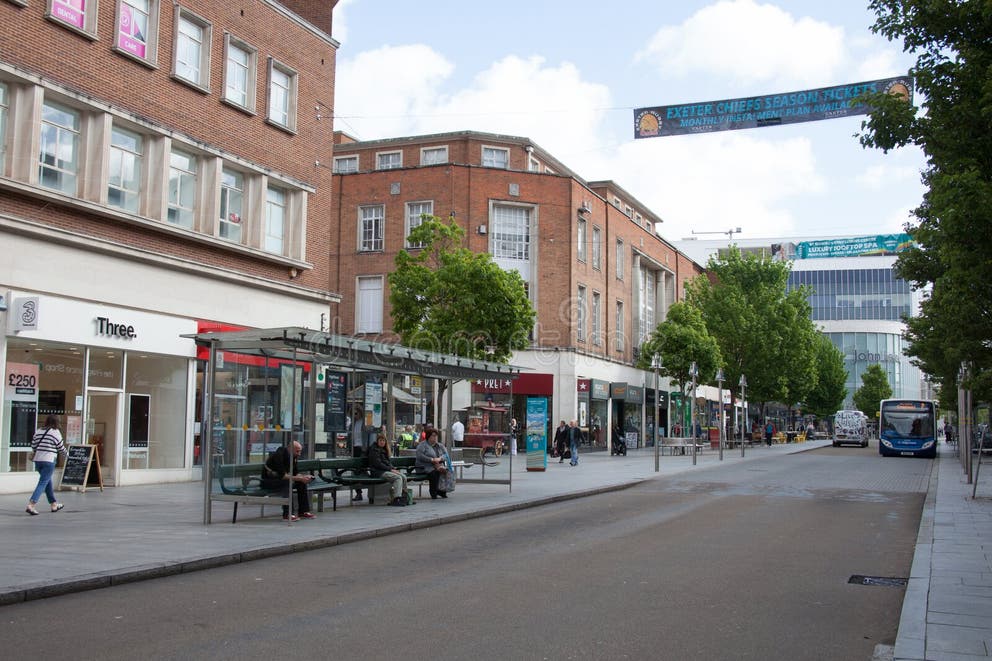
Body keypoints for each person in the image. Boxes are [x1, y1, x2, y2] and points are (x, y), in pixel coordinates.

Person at [261, 441, 314, 521]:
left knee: (301, 483)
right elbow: (283, 476)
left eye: (300, 451)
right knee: (287, 483)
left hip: (279, 480)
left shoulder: (293, 457)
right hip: (268, 481)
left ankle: (303, 511)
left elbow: (295, 473)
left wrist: (304, 477)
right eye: (297, 451)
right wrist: (300, 478)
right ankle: (288, 514)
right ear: (290, 449)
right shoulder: (279, 456)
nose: (299, 454)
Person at [26, 414, 67, 515]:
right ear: (56, 422)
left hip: (38, 460)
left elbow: (33, 445)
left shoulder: (39, 431)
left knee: (47, 481)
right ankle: (31, 504)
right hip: (49, 460)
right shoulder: (55, 432)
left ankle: (54, 504)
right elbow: (60, 447)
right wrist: (68, 455)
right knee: (43, 482)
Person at [368, 434, 409, 507]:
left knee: (403, 476)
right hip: (377, 472)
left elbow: (387, 462)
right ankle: (396, 499)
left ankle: (404, 498)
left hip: (385, 470)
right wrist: (390, 469)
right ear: (377, 441)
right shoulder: (374, 450)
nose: (382, 442)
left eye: (383, 441)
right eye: (380, 440)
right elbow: (378, 464)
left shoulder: (384, 450)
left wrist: (393, 468)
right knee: (398, 478)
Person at [415, 429, 449, 499]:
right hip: (424, 467)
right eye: (433, 436)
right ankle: (434, 492)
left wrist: (440, 459)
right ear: (428, 436)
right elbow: (420, 456)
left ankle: (441, 490)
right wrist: (431, 460)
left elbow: (446, 455)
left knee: (444, 471)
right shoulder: (422, 445)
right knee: (434, 473)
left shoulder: (439, 445)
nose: (435, 437)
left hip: (438, 465)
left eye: (436, 436)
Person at [350, 407, 366, 501]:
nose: (355, 415)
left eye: (356, 413)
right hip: (354, 448)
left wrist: (365, 448)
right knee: (355, 471)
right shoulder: (353, 423)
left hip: (362, 448)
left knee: (361, 470)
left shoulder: (364, 422)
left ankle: (362, 490)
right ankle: (358, 492)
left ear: (360, 413)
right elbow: (350, 435)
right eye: (353, 414)